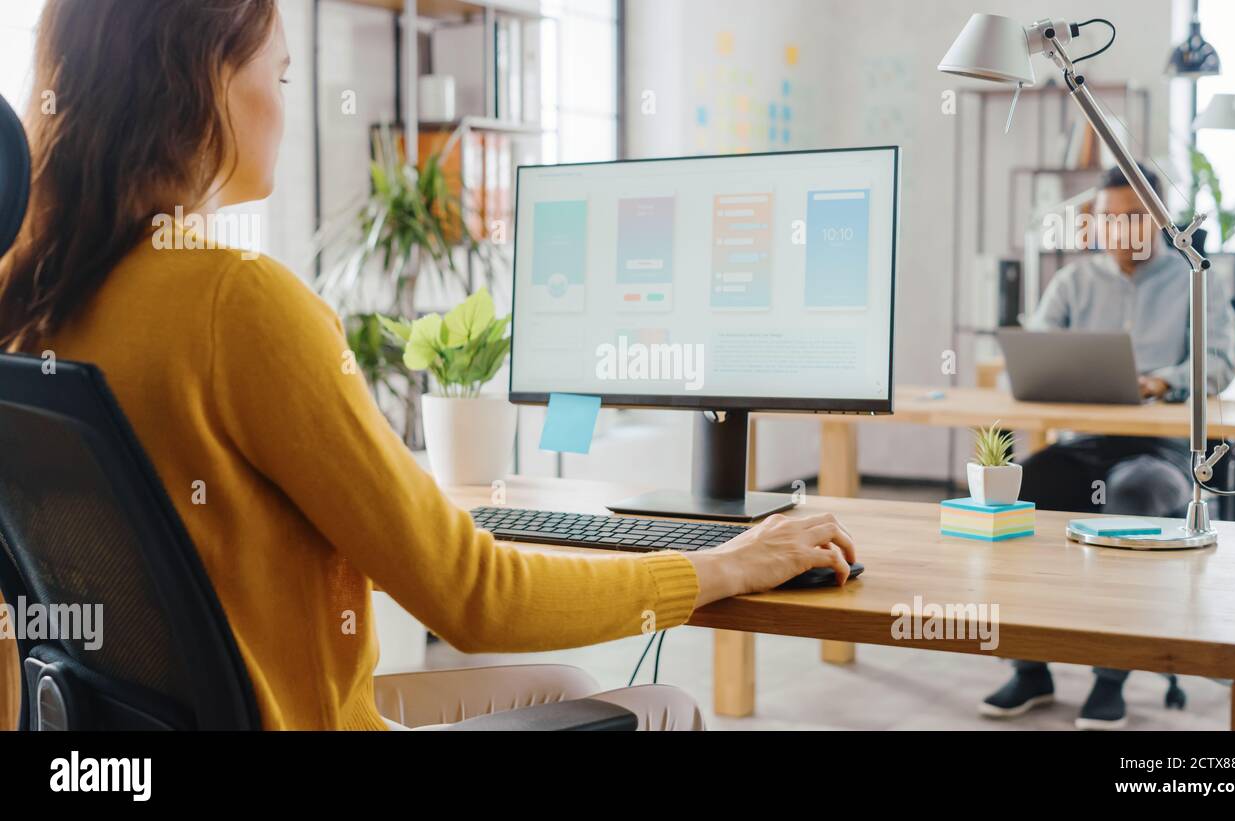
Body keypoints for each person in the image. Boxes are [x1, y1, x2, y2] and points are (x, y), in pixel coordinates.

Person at [0, 0, 857, 731]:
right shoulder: (236, 303)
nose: (286, 104)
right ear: (205, 79)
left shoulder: (30, 302)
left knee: (566, 687)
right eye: (283, 76)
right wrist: (729, 563)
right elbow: (471, 595)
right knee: (663, 703)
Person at [979, 163, 1235, 730]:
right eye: (1110, 218)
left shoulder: (1196, 278)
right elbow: (1024, 362)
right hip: (1085, 446)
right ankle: (1030, 668)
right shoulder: (1073, 282)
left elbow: (1219, 362)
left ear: (1161, 222)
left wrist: (1165, 380)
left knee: (1131, 491)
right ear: (1093, 224)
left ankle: (1109, 676)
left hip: (1163, 453)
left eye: (1134, 218)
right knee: (1018, 491)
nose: (1122, 230)